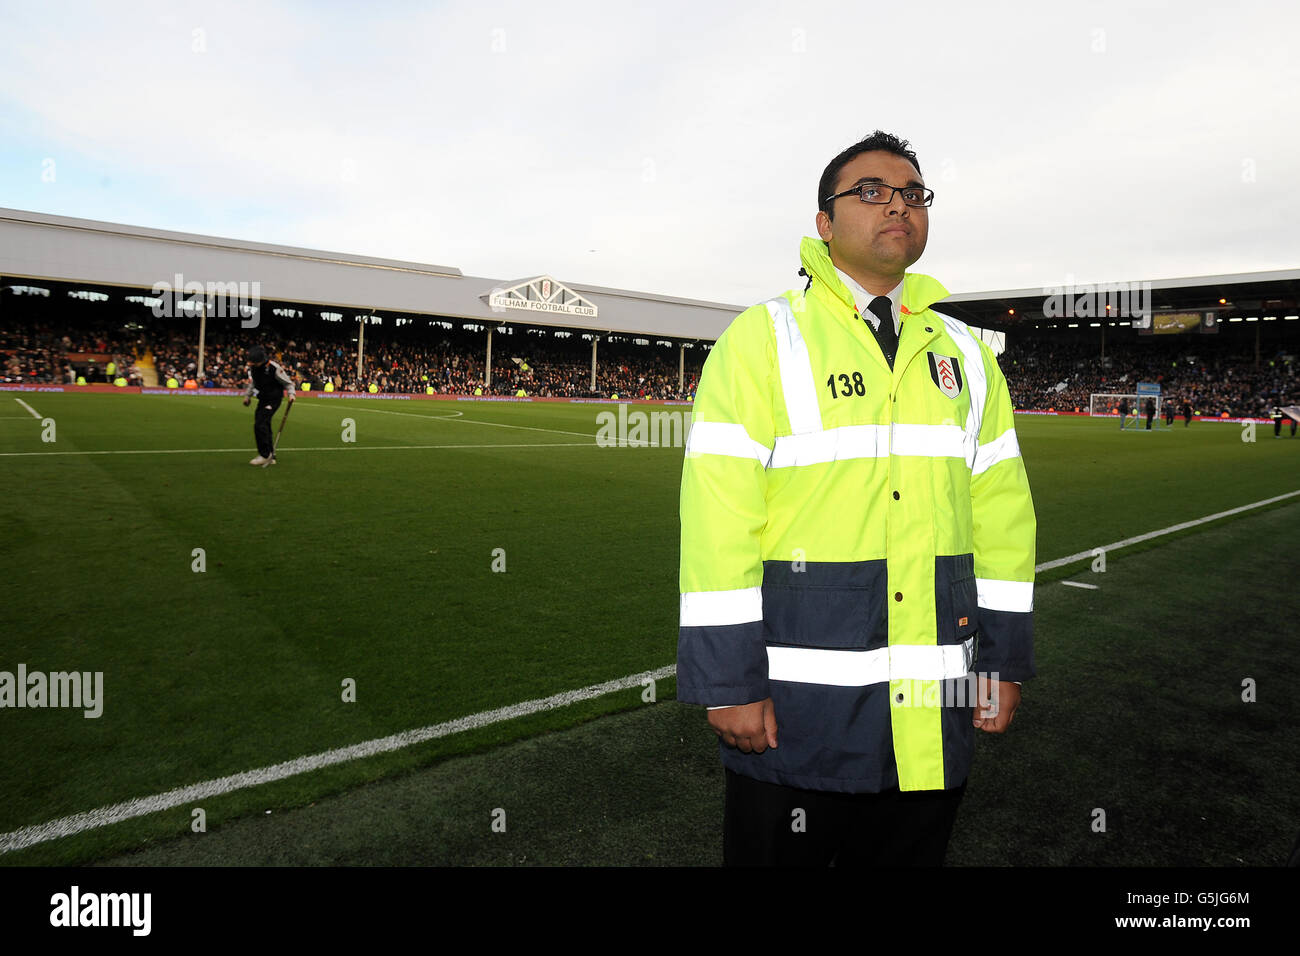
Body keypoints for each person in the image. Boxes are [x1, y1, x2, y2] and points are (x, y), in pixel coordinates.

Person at [677, 131, 1036, 866]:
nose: (896, 205)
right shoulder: (763, 339)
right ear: (825, 222)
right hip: (795, 717)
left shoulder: (969, 355)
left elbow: (1004, 517)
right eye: (870, 191)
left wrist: (1003, 660)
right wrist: (727, 681)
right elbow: (718, 521)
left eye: (912, 193)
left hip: (935, 717)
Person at [242, 345, 294, 466]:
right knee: (264, 424)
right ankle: (271, 453)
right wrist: (247, 396)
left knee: (260, 423)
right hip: (263, 399)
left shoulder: (274, 368)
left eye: (252, 361)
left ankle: (265, 455)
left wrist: (291, 394)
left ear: (260, 360)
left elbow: (288, 383)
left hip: (273, 399)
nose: (249, 363)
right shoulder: (255, 368)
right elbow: (254, 383)